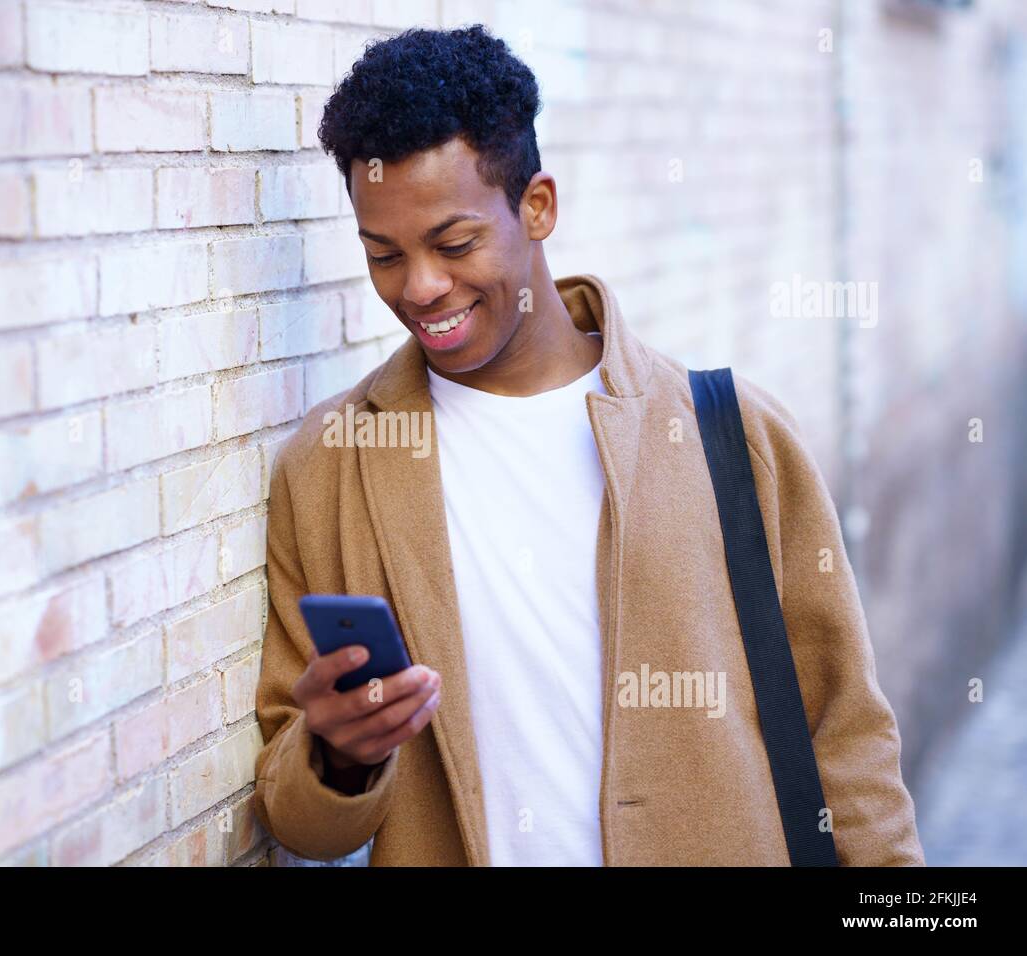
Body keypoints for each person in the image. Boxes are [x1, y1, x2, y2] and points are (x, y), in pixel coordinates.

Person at [251, 23, 924, 866]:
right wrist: (338, 755)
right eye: (383, 254)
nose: (421, 287)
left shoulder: (732, 434)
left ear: (538, 206)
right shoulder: (328, 470)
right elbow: (298, 818)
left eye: (455, 244)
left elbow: (848, 735)